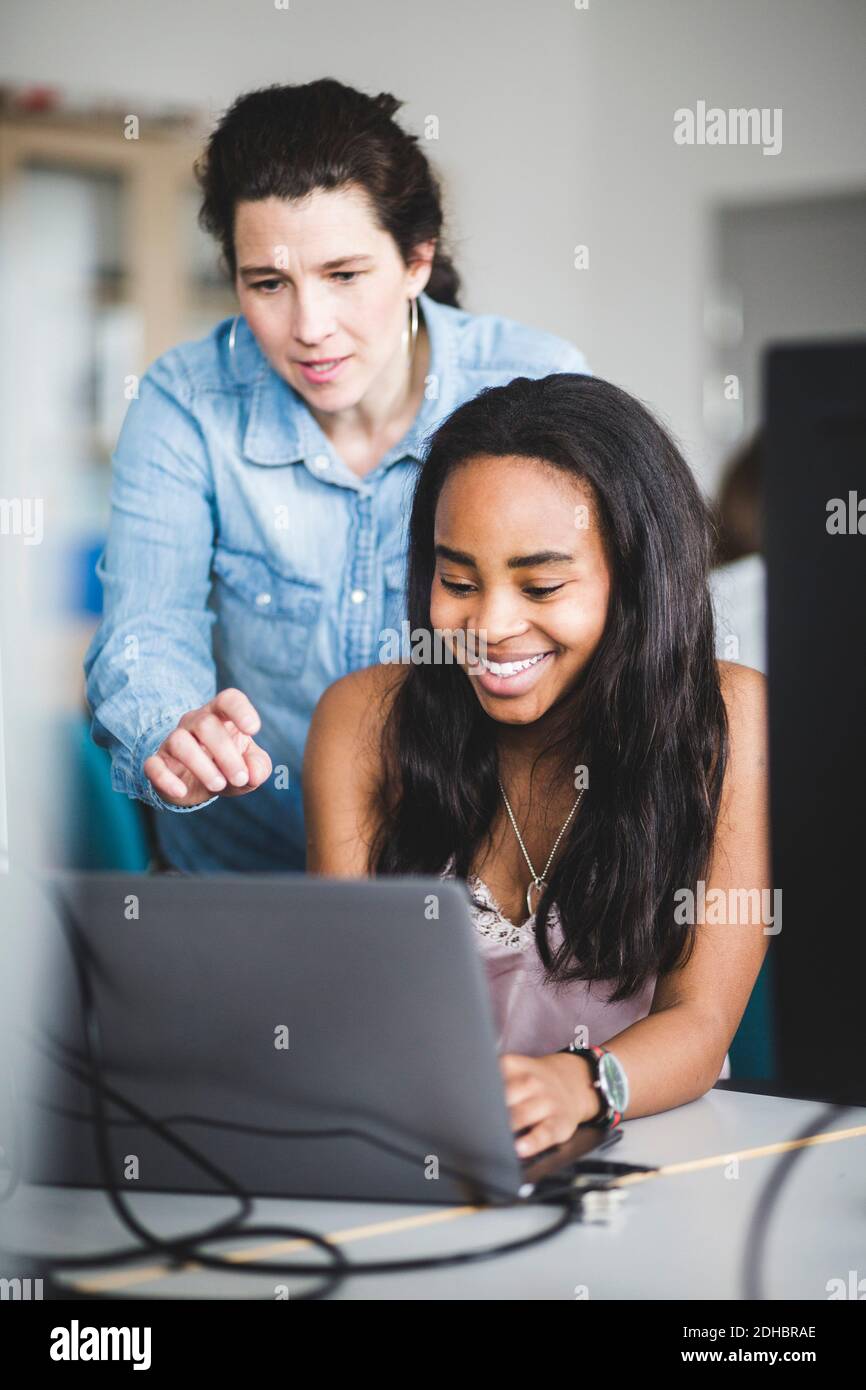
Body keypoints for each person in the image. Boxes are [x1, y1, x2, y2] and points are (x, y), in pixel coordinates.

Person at [83, 78, 588, 873]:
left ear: (417, 260)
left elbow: (599, 634)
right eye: (269, 284)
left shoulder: (536, 383)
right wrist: (174, 729)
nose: (310, 329)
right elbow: (146, 628)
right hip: (244, 879)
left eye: (345, 275)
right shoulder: (187, 399)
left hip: (470, 886)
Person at [302, 373, 771, 1158]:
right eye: (456, 581)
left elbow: (701, 1021)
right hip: (422, 1153)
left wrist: (578, 1085)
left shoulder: (729, 720)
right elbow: (350, 1000)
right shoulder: (362, 722)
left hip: (652, 1155)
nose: (488, 625)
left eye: (542, 584)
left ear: (637, 581)